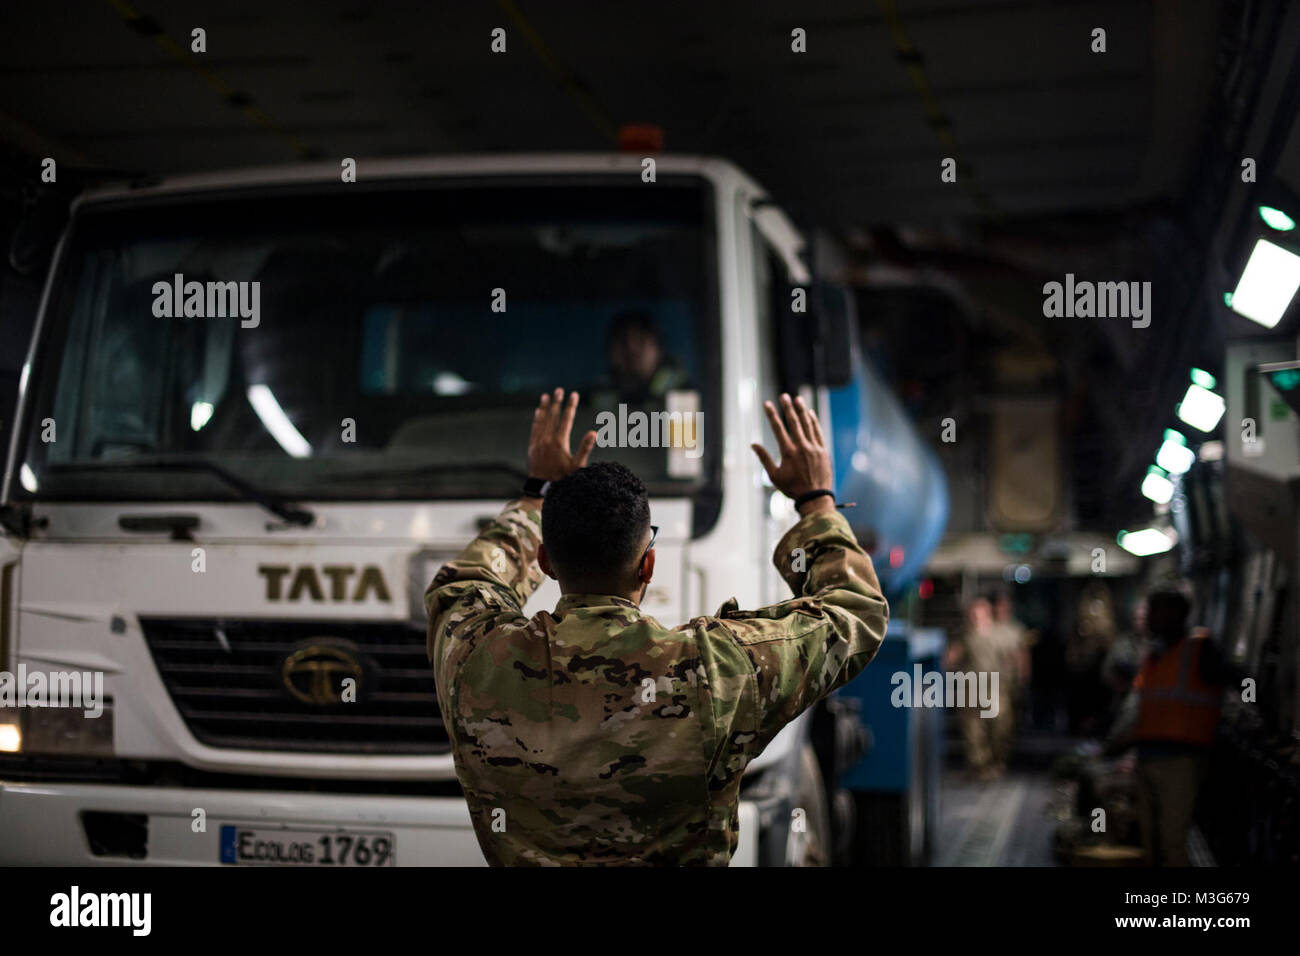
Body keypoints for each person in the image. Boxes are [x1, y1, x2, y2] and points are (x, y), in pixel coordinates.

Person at [425, 389, 888, 865]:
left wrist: (535, 495)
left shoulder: (474, 659)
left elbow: (466, 581)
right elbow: (855, 611)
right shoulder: (714, 672)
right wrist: (816, 501)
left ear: (545, 562)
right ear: (647, 565)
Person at [1105, 584, 1236, 866]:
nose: (1148, 619)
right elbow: (1143, 709)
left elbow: (1236, 680)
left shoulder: (1200, 649)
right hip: (1147, 756)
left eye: (1154, 612)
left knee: (1171, 842)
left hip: (1181, 761)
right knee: (1150, 842)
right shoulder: (1154, 655)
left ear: (1174, 615)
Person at [947, 594, 1018, 781]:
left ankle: (996, 762)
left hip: (996, 688)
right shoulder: (965, 635)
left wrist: (1015, 681)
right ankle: (979, 767)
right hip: (971, 689)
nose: (976, 615)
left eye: (979, 611)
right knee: (973, 733)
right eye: (973, 612)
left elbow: (1012, 659)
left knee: (999, 728)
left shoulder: (999, 633)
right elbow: (951, 658)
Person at [591, 309, 691, 406]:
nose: (631, 349)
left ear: (659, 349)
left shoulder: (684, 394)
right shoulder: (592, 398)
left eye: (641, 340)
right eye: (622, 341)